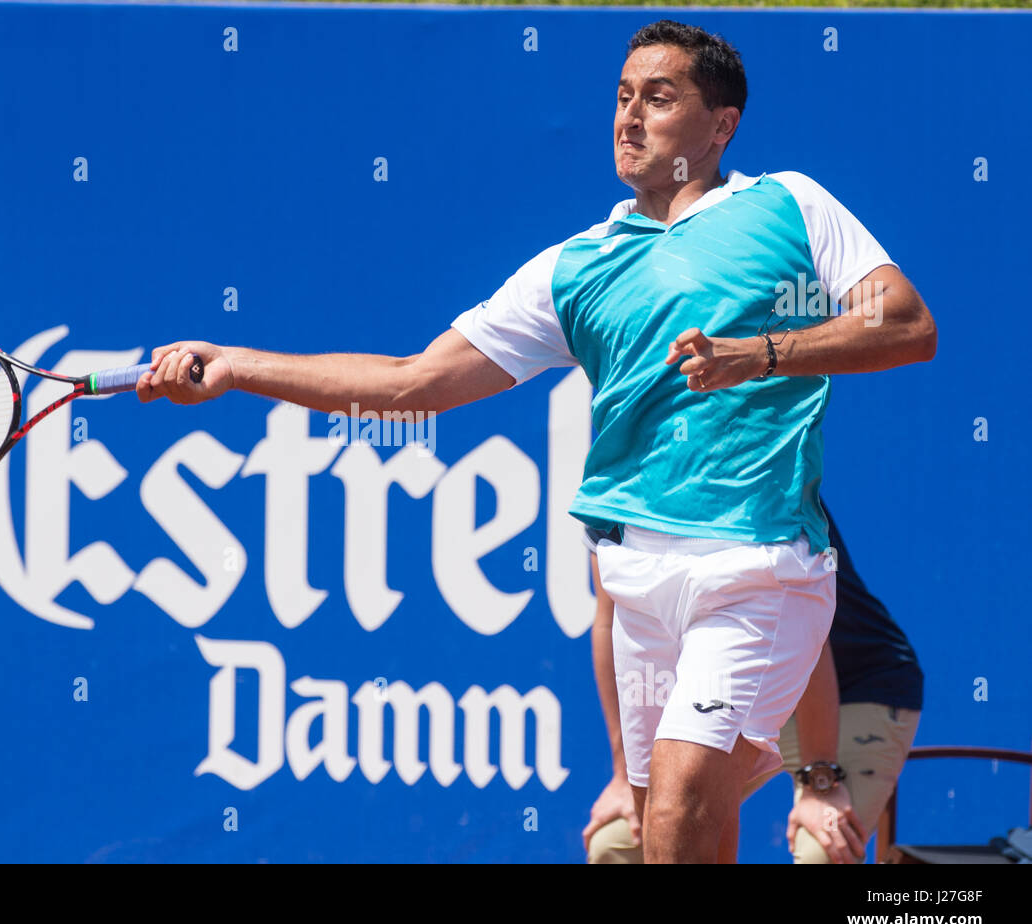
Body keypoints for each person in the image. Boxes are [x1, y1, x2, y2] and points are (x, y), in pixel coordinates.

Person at [135, 19, 937, 862]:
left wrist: (761, 353)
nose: (630, 118)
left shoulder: (789, 205)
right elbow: (413, 382)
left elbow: (907, 323)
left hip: (755, 567)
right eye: (622, 98)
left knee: (685, 793)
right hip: (639, 580)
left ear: (721, 124)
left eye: (659, 98)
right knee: (655, 821)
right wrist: (237, 366)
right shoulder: (576, 265)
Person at [584, 500, 924, 863]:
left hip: (852, 692)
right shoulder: (616, 476)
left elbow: (801, 629)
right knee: (619, 844)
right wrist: (624, 776)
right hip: (736, 697)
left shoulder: (750, 468)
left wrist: (820, 779)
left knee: (822, 852)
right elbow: (609, 622)